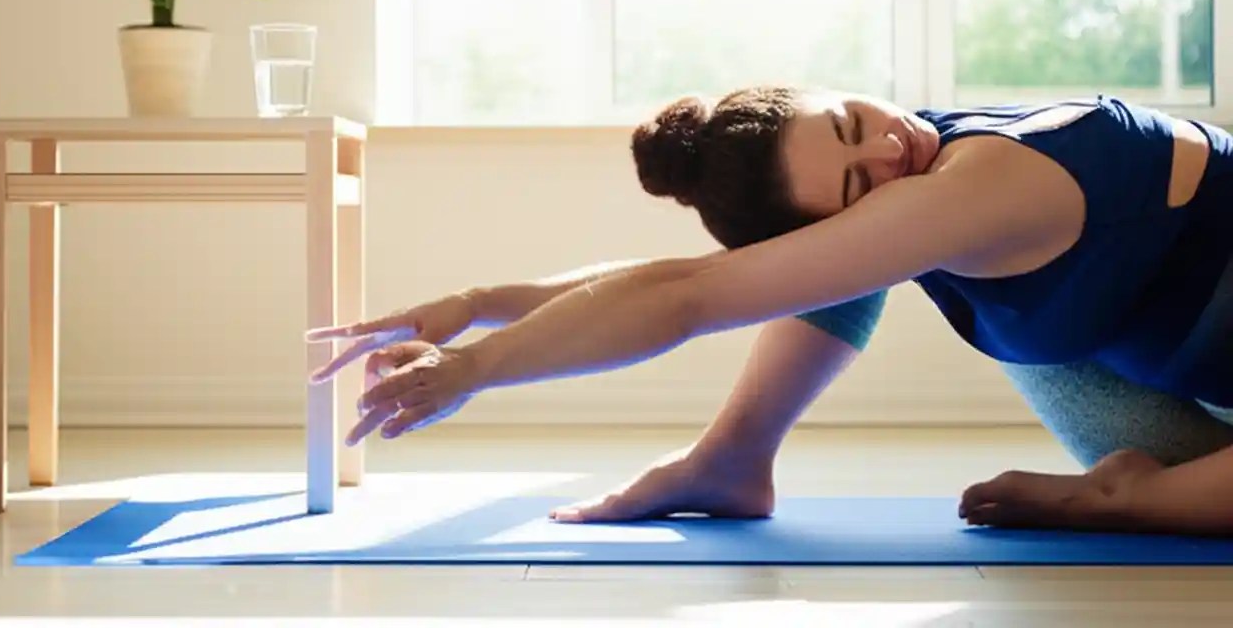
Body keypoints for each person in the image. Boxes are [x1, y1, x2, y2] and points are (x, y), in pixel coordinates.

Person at [306, 87, 1233, 536]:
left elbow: (688, 298)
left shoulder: (974, 176)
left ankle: (1137, 498)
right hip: (1164, 358)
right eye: (850, 178)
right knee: (853, 253)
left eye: (848, 124)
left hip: (1177, 351)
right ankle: (732, 461)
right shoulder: (905, 202)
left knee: (876, 233)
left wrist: (478, 368)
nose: (884, 147)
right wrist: (475, 309)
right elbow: (682, 279)